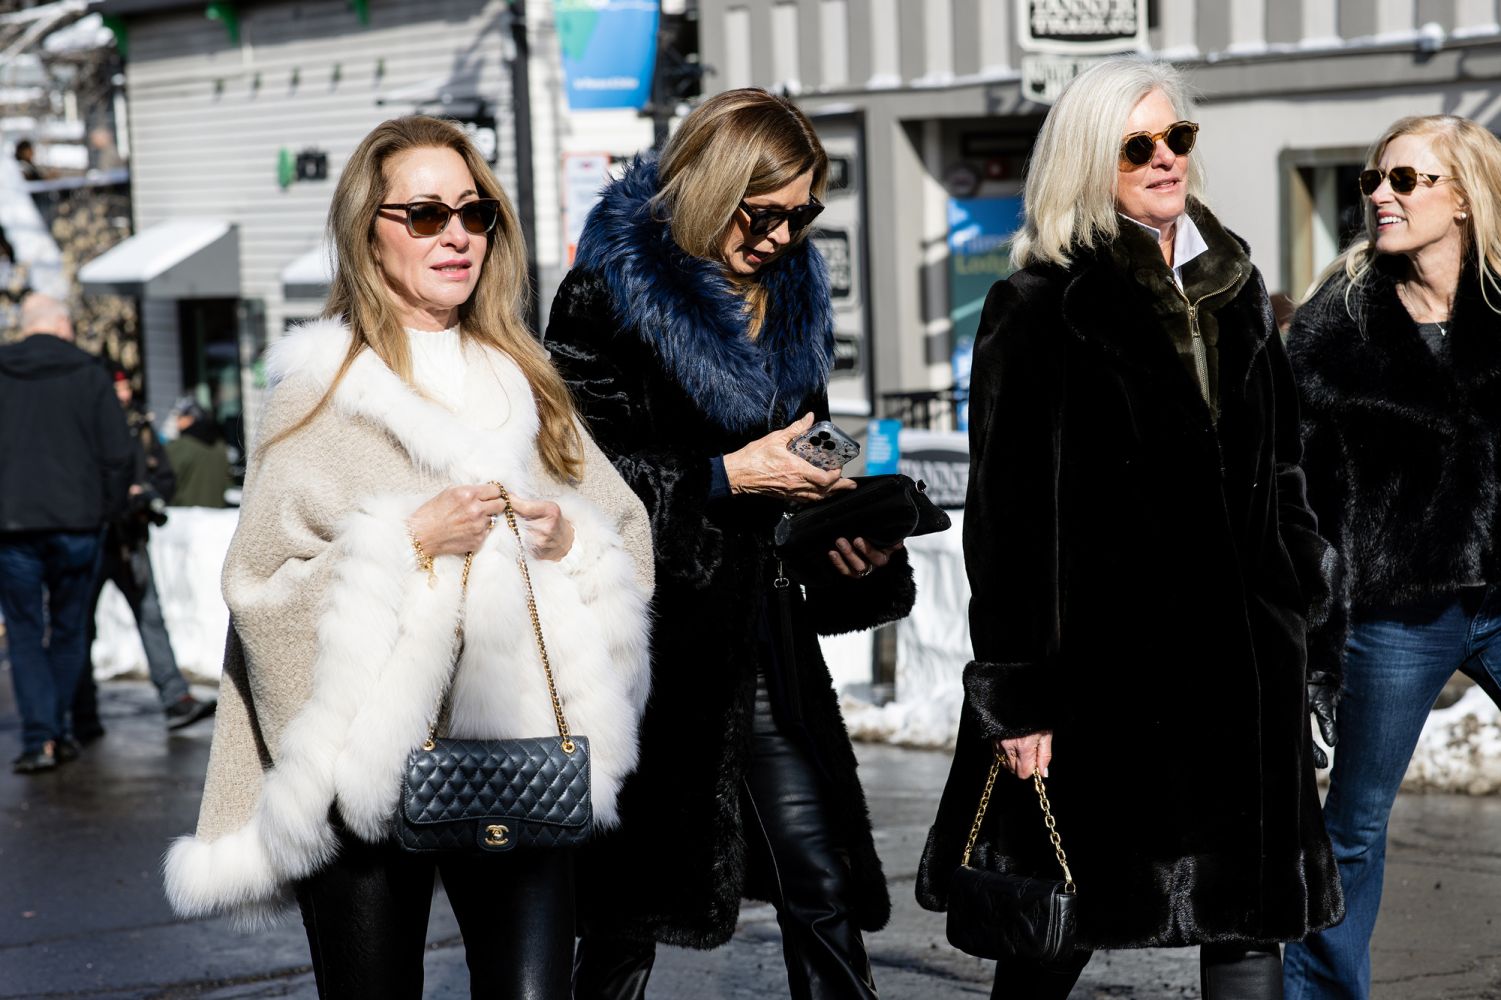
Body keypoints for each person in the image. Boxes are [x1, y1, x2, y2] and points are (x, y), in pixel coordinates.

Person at [162, 116, 654, 998]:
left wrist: (569, 541)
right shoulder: (321, 389)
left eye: (474, 213)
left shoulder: (524, 378)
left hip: (517, 749)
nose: (457, 234)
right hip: (365, 766)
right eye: (424, 214)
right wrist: (406, 543)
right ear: (368, 231)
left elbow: (622, 527)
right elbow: (259, 588)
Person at [914, 59, 1344, 999]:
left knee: (1250, 919)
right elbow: (1006, 517)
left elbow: (1282, 475)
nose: (1165, 160)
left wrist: (1304, 616)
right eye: (1136, 146)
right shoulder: (1037, 306)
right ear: (1085, 160)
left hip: (1242, 668)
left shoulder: (1235, 289)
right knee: (1059, 920)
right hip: (1101, 675)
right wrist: (1017, 698)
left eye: (1176, 138)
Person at [547, 88, 916, 1000]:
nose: (784, 236)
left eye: (803, 215)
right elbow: (574, 477)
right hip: (647, 652)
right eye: (765, 214)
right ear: (715, 187)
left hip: (765, 641)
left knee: (817, 880)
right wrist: (724, 477)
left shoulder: (793, 292)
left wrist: (838, 531)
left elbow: (802, 444)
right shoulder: (610, 291)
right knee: (628, 917)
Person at [1281, 115, 1501, 1000]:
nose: (1380, 194)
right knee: (1353, 827)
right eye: (1375, 179)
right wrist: (1314, 621)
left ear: (1461, 198)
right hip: (1396, 614)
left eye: (1406, 180)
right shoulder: (1335, 326)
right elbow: (1293, 486)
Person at [0, 294, 132, 772]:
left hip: (13, 524)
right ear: (60, 326)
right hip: (77, 523)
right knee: (70, 629)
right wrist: (108, 510)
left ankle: (40, 738)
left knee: (24, 631)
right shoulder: (89, 374)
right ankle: (57, 728)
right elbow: (119, 455)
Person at [73, 365, 216, 743]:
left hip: (130, 537)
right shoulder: (85, 424)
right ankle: (80, 709)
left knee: (150, 615)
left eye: (124, 387)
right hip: (94, 535)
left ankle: (175, 698)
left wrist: (149, 494)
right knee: (80, 624)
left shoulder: (141, 427)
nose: (122, 394)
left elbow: (164, 477)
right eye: (115, 387)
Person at [163, 396, 231, 507]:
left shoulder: (179, 446)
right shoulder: (220, 445)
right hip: (218, 516)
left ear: (190, 418)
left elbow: (165, 483)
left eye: (179, 417)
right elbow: (228, 482)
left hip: (185, 516)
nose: (176, 421)